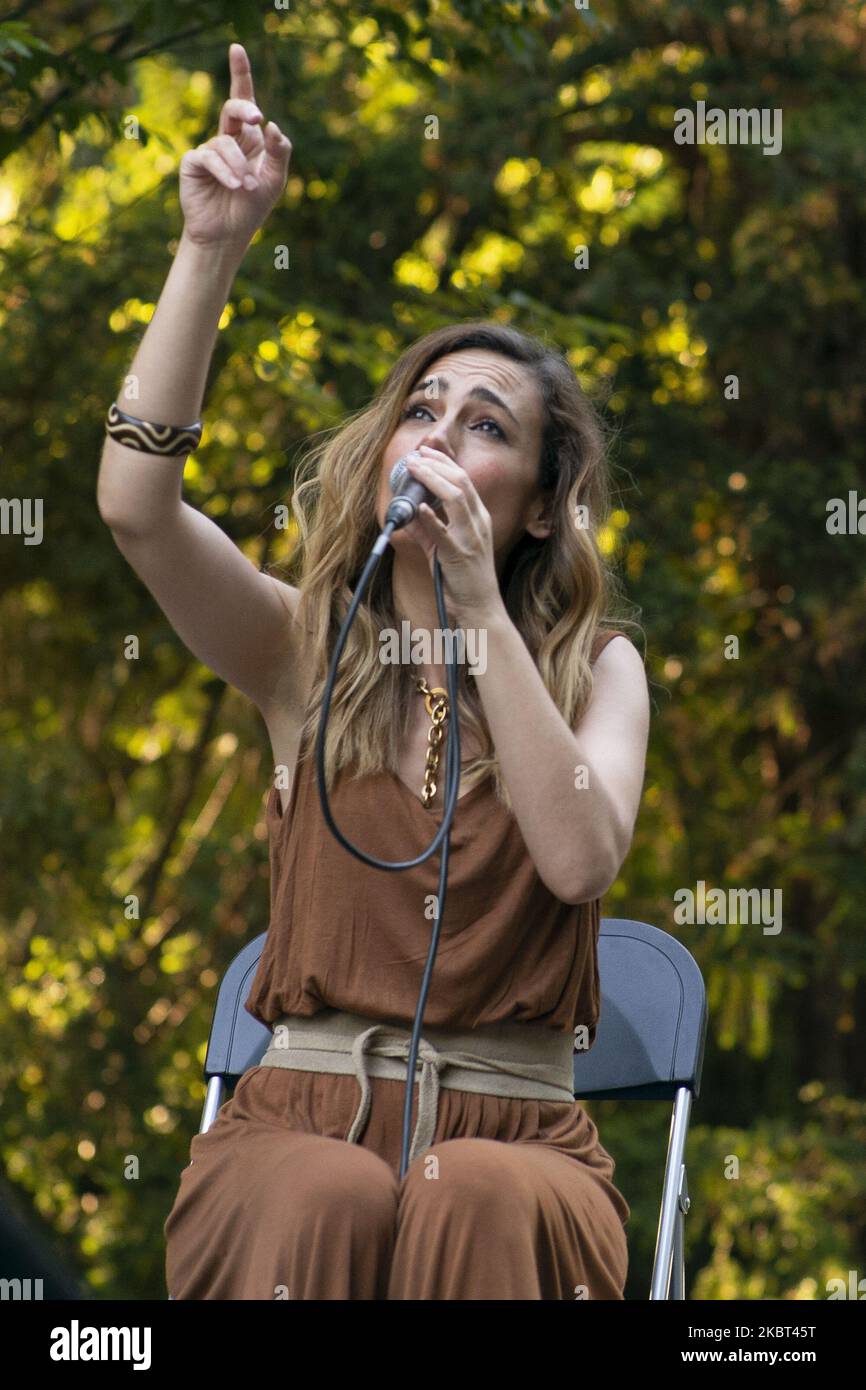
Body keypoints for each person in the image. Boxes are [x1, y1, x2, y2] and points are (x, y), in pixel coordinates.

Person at [97, 42, 650, 1300]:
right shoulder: (305, 652)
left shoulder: (601, 672)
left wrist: (470, 610)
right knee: (327, 1191)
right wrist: (211, 249)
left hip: (516, 1146)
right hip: (295, 1126)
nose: (438, 438)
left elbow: (578, 860)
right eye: (423, 408)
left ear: (543, 508)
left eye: (485, 425)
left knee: (473, 1193)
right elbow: (136, 508)